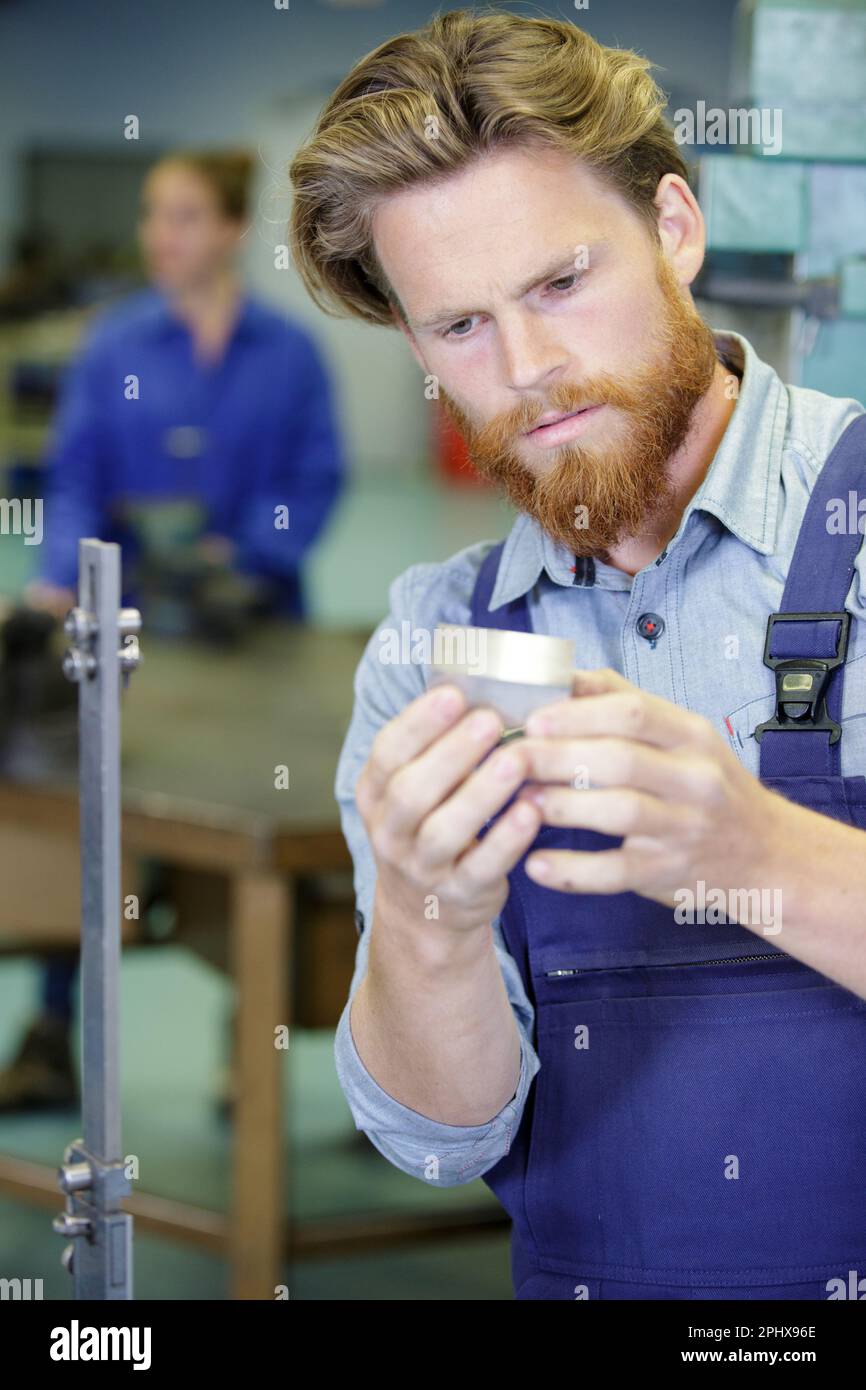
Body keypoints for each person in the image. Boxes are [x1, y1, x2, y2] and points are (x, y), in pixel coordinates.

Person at [288, 10, 866, 1300]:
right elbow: (443, 1141)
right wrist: (431, 928)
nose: (530, 370)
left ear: (672, 228)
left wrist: (756, 854)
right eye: (459, 328)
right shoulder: (435, 651)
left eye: (559, 283)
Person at [0, 149, 346, 1112]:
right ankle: (49, 1031)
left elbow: (316, 478)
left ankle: (250, 1045)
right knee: (93, 819)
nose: (162, 235)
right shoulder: (115, 349)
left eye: (185, 216)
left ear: (232, 230)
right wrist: (58, 581)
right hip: (130, 632)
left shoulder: (288, 355)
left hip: (257, 633)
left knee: (252, 833)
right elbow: (72, 476)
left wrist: (252, 557)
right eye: (154, 215)